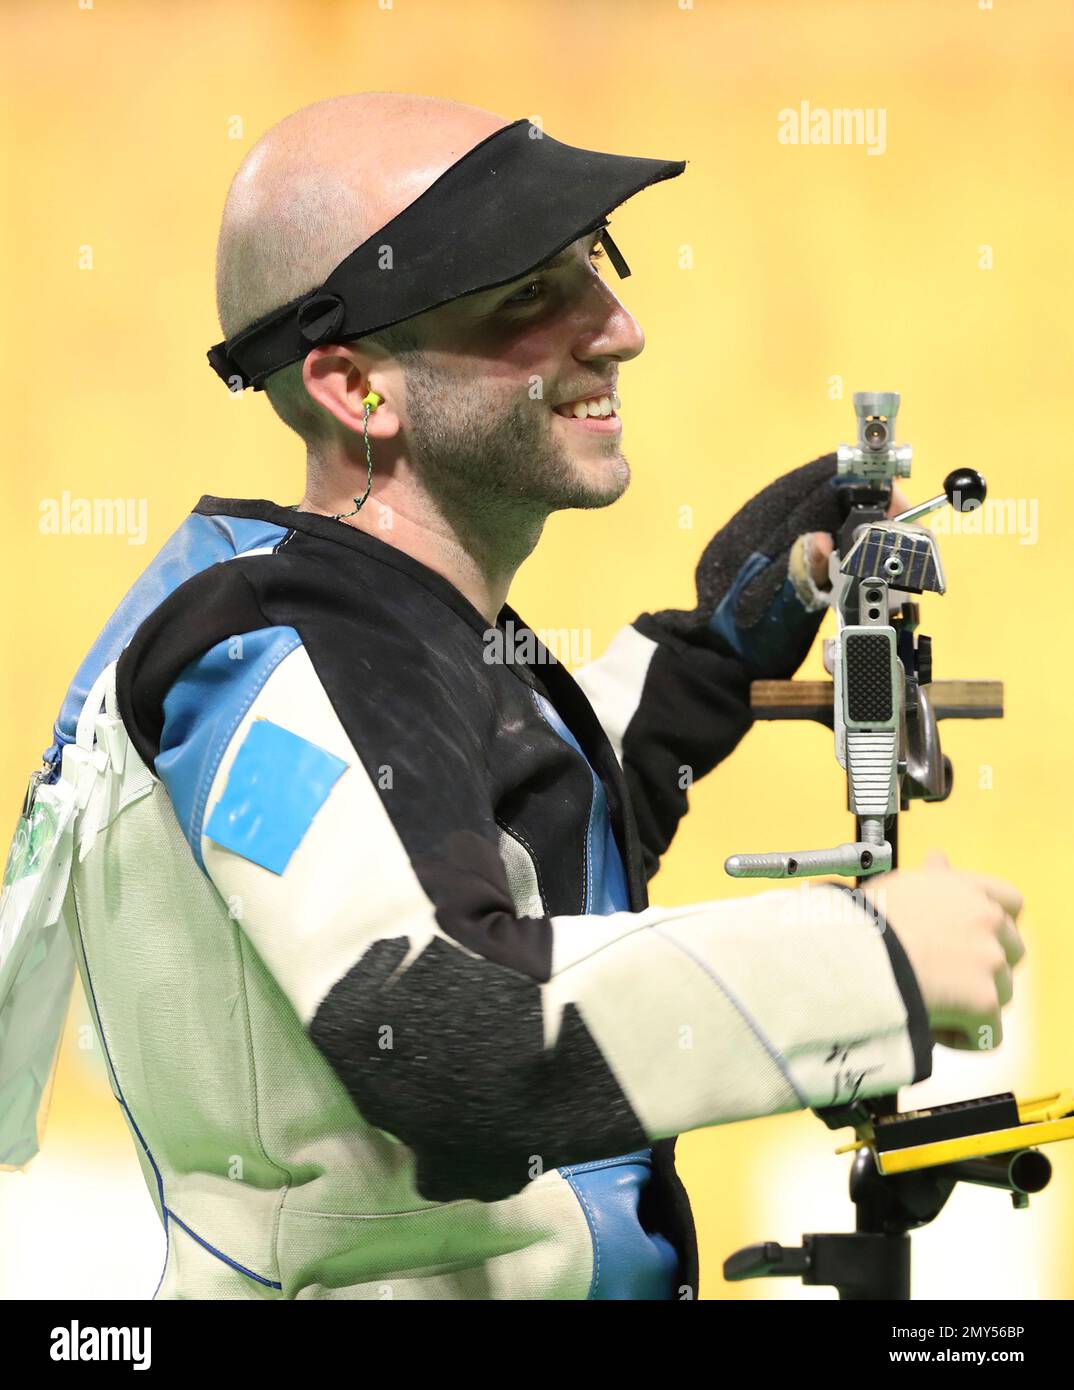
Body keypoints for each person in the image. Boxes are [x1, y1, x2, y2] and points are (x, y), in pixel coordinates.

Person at [40, 92, 1024, 1300]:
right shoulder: (272, 656)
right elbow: (446, 1028)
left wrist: (715, 649)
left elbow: (505, 833)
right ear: (356, 388)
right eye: (527, 293)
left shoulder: (358, 621)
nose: (619, 329)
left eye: (593, 268)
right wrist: (866, 961)